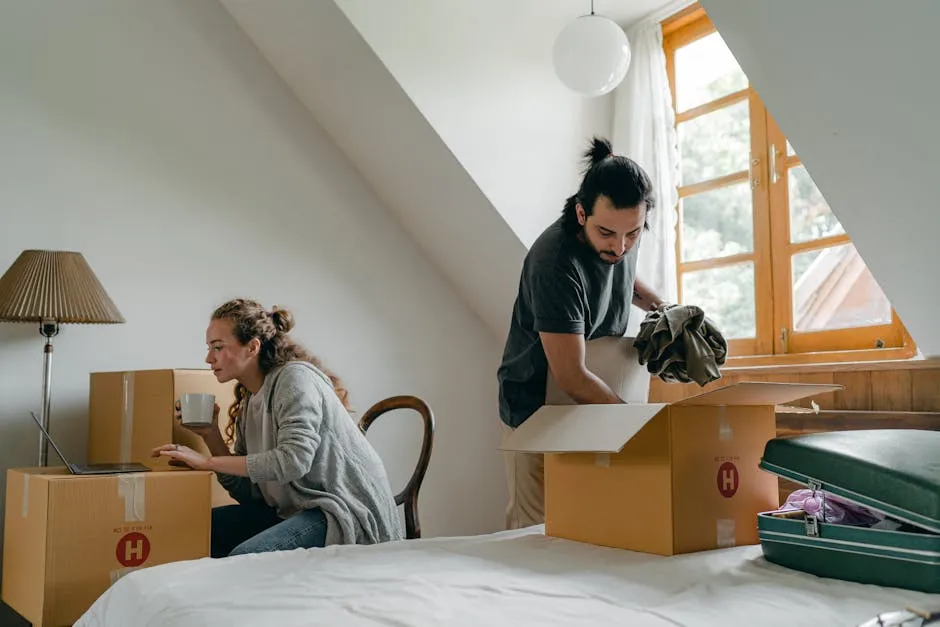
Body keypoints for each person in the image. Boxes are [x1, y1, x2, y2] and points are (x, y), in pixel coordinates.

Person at [496, 136, 666, 530]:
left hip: (590, 400)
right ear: (580, 212)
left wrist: (662, 308)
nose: (620, 247)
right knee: (536, 529)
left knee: (591, 522)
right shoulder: (554, 263)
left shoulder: (620, 232)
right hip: (534, 408)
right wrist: (633, 424)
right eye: (606, 233)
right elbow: (571, 376)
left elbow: (621, 274)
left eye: (633, 234)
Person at [153, 298, 404, 557]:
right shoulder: (250, 401)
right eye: (209, 348)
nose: (208, 358)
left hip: (343, 513)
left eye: (218, 347)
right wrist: (211, 435)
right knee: (194, 529)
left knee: (245, 557)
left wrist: (207, 462)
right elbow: (250, 495)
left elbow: (294, 461)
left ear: (252, 347)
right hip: (295, 512)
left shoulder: (295, 379)